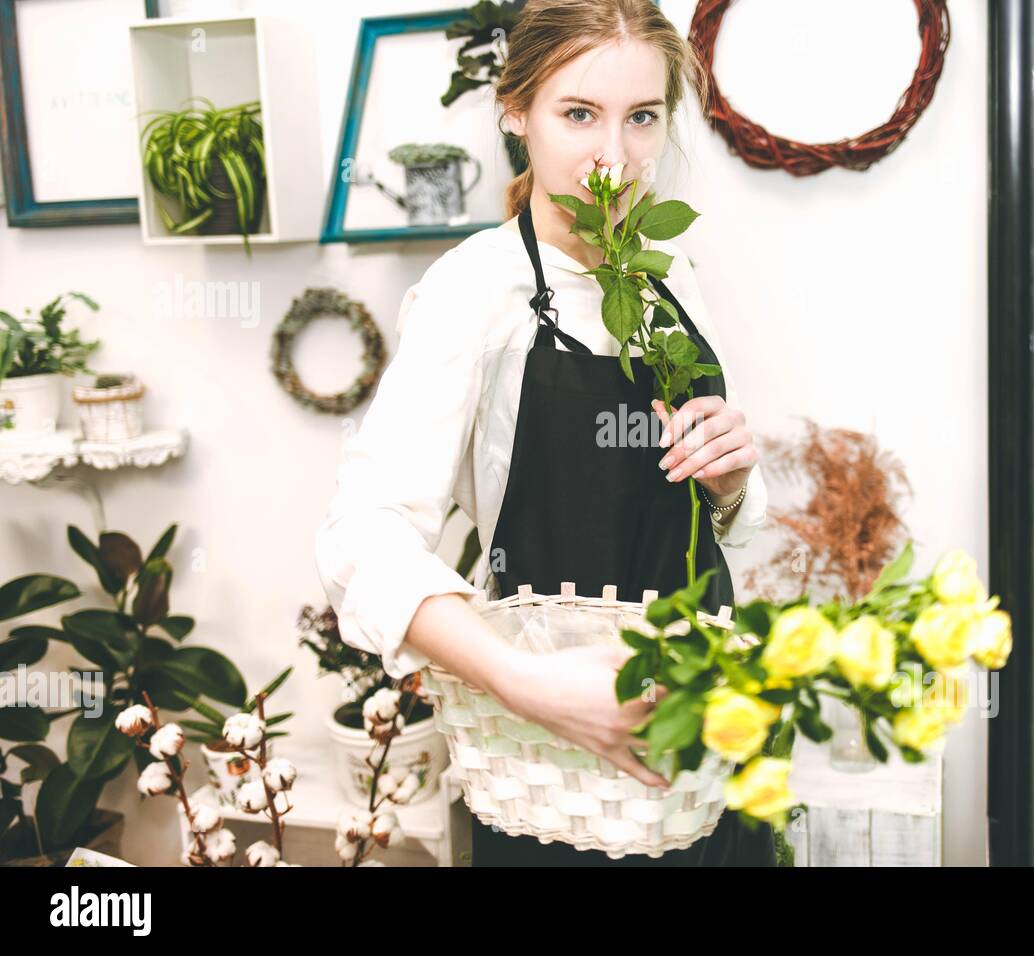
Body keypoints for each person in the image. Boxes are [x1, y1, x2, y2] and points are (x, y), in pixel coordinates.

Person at [315, 0, 775, 866]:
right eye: (578, 115)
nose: (615, 156)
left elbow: (724, 527)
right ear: (515, 111)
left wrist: (731, 483)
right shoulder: (473, 293)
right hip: (555, 786)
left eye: (642, 118)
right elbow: (360, 540)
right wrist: (529, 686)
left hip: (702, 754)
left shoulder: (672, 271)